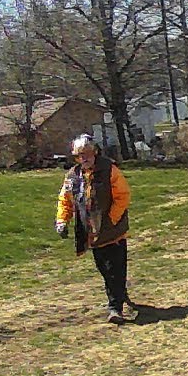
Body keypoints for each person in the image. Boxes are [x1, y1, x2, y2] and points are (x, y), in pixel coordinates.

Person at [55, 134, 133, 324]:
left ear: (95, 152)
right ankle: (119, 294)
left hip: (113, 232)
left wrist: (112, 220)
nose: (84, 158)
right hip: (92, 234)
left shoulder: (109, 170)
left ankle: (115, 308)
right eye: (80, 155)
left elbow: (123, 196)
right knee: (105, 270)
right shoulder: (73, 176)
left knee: (115, 269)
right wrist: (61, 221)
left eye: (87, 154)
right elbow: (65, 200)